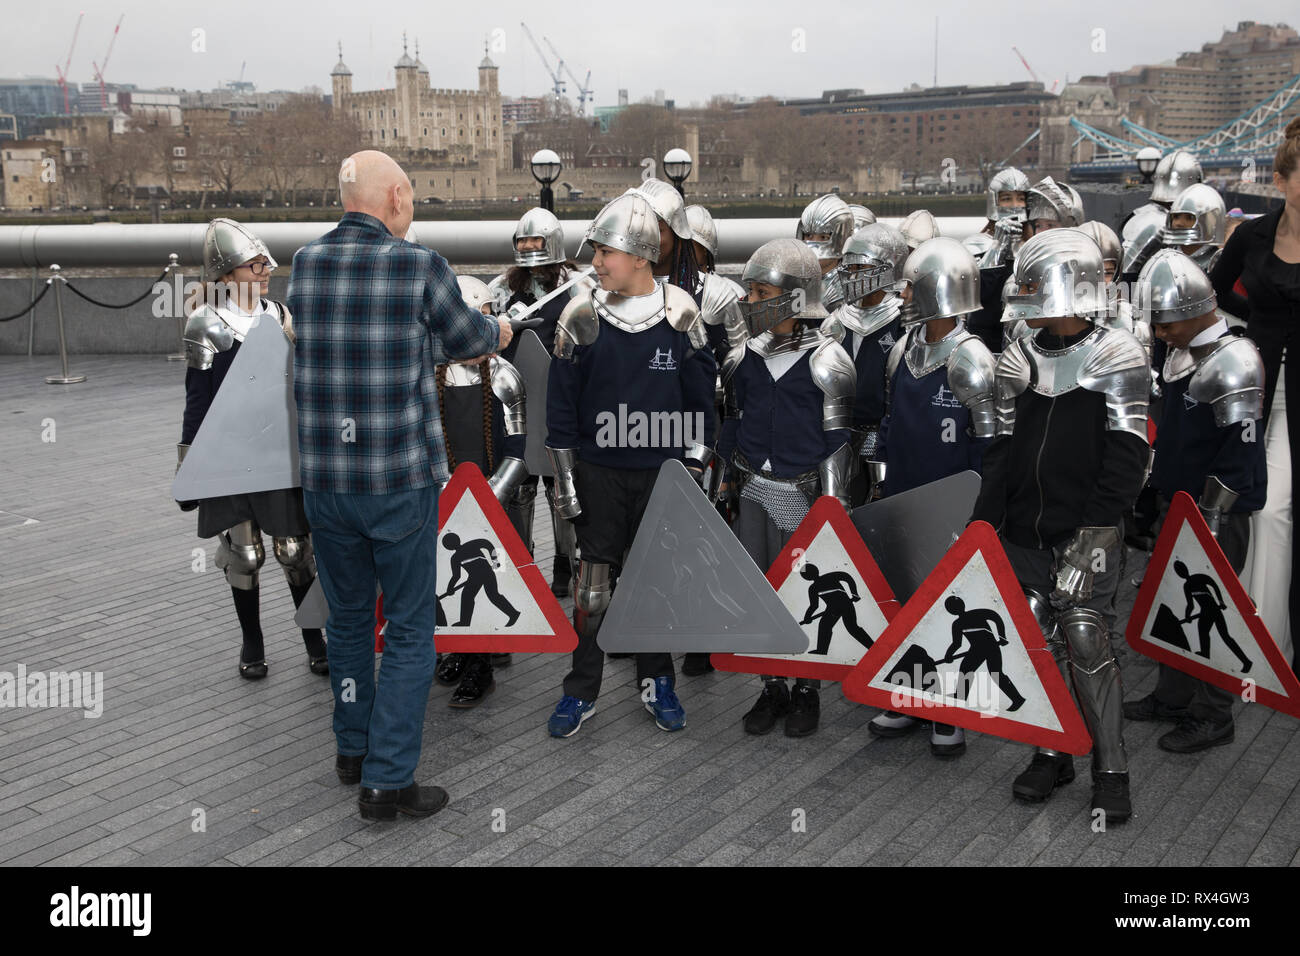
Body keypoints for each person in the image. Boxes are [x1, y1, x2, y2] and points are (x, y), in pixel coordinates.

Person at [289, 150, 511, 821]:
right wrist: (502, 326)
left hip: (327, 483)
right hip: (399, 482)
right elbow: (469, 337)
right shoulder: (419, 266)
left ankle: (351, 749)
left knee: (351, 622)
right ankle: (387, 779)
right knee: (413, 629)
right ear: (397, 198)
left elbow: (372, 340)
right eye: (408, 201)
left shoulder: (303, 266)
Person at [973, 228, 1150, 823]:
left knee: (1086, 639)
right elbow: (997, 451)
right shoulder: (1018, 352)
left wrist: (1094, 536)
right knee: (1032, 640)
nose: (1022, 294)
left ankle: (1112, 765)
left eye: (1031, 282)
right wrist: (984, 528)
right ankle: (1051, 751)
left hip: (1089, 531)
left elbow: (1130, 460)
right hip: (1024, 528)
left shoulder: (1119, 353)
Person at [545, 192, 716, 737]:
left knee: (654, 582)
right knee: (590, 588)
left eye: (606, 252)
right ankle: (581, 689)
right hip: (597, 472)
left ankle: (657, 680)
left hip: (660, 476)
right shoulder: (580, 316)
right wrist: (567, 483)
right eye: (595, 252)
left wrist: (692, 473)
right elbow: (560, 415)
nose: (595, 263)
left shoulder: (682, 314)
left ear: (641, 256)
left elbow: (701, 407)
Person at [1126, 249, 1266, 751]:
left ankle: (1213, 714)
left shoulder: (1236, 360)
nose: (1160, 335)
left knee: (1212, 613)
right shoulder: (1180, 353)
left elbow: (1240, 455)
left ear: (1192, 309)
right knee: (1171, 605)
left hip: (1214, 514)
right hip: (1179, 504)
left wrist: (1209, 518)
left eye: (1166, 324)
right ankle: (1174, 696)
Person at [178, 218, 327, 681]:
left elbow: (305, 388)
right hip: (227, 456)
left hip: (280, 452)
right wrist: (188, 472)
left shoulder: (284, 317)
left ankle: (313, 638)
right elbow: (197, 401)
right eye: (251, 265)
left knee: (295, 551)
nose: (263, 271)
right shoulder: (206, 322)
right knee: (244, 556)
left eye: (264, 263)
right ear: (224, 275)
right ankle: (253, 640)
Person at [865, 236, 997, 757]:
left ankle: (951, 708)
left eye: (910, 285)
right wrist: (880, 482)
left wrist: (979, 516)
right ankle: (909, 693)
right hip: (902, 497)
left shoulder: (973, 359)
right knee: (906, 600)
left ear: (938, 292)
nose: (900, 294)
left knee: (953, 609)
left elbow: (987, 446)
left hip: (953, 509)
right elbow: (888, 424)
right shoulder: (901, 350)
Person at [725, 238, 856, 738]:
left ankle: (806, 687)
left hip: (806, 495)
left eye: (760, 292)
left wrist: (833, 505)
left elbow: (837, 443)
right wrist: (723, 484)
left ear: (794, 298)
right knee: (761, 590)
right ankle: (771, 684)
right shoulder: (743, 358)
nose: (750, 302)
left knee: (805, 593)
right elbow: (732, 428)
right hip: (755, 490)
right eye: (750, 291)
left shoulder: (829, 360)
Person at [1210, 117, 1300, 673]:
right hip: (1259, 386)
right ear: (1281, 178)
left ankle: (1268, 651)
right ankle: (1257, 648)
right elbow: (1216, 291)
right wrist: (1257, 328)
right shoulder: (1253, 234)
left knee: (1272, 511)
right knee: (1251, 505)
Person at [429, 275, 529, 708]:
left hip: (492, 494)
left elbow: (518, 448)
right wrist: (442, 488)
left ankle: (481, 667)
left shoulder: (504, 377)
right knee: (446, 578)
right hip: (444, 494)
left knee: (487, 581)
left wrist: (492, 493)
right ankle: (460, 650)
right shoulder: (429, 375)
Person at [487, 208, 581, 599]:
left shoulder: (578, 286)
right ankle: (522, 564)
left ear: (552, 243)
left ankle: (563, 563)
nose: (527, 248)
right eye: (522, 242)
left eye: (535, 241)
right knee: (520, 486)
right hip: (516, 401)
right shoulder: (500, 289)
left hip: (561, 397)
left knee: (561, 485)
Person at [820, 222, 910, 504]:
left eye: (861, 268)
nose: (852, 276)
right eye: (849, 268)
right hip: (838, 437)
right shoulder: (834, 321)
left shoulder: (904, 321)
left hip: (880, 438)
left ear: (888, 268)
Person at [796, 193, 856, 313]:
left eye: (823, 237)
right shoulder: (791, 280)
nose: (812, 244)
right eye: (809, 235)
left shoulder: (851, 289)